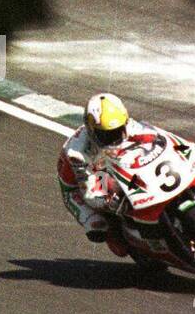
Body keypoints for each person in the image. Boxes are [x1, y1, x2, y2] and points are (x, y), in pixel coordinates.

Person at [57, 92, 159, 249]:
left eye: (117, 131)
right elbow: (92, 193)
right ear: (91, 130)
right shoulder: (77, 153)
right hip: (81, 185)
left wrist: (181, 147)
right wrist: (115, 201)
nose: (114, 137)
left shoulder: (129, 126)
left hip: (110, 166)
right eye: (106, 134)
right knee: (99, 227)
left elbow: (157, 138)